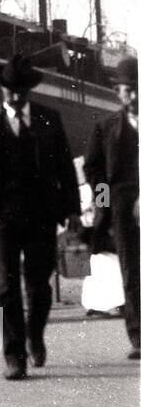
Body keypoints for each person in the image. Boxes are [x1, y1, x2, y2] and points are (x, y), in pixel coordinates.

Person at [0, 54, 81, 380]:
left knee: (39, 287)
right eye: (9, 91)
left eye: (20, 91)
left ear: (29, 91)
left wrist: (73, 211)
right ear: (2, 89)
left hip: (42, 214)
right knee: (5, 287)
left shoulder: (49, 119)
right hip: (2, 216)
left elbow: (67, 169)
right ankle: (15, 356)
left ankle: (35, 335)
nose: (15, 97)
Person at [84, 56, 139, 360]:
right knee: (131, 272)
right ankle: (139, 337)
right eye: (125, 89)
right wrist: (105, 204)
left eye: (135, 88)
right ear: (117, 92)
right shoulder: (105, 128)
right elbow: (94, 169)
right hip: (121, 207)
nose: (130, 94)